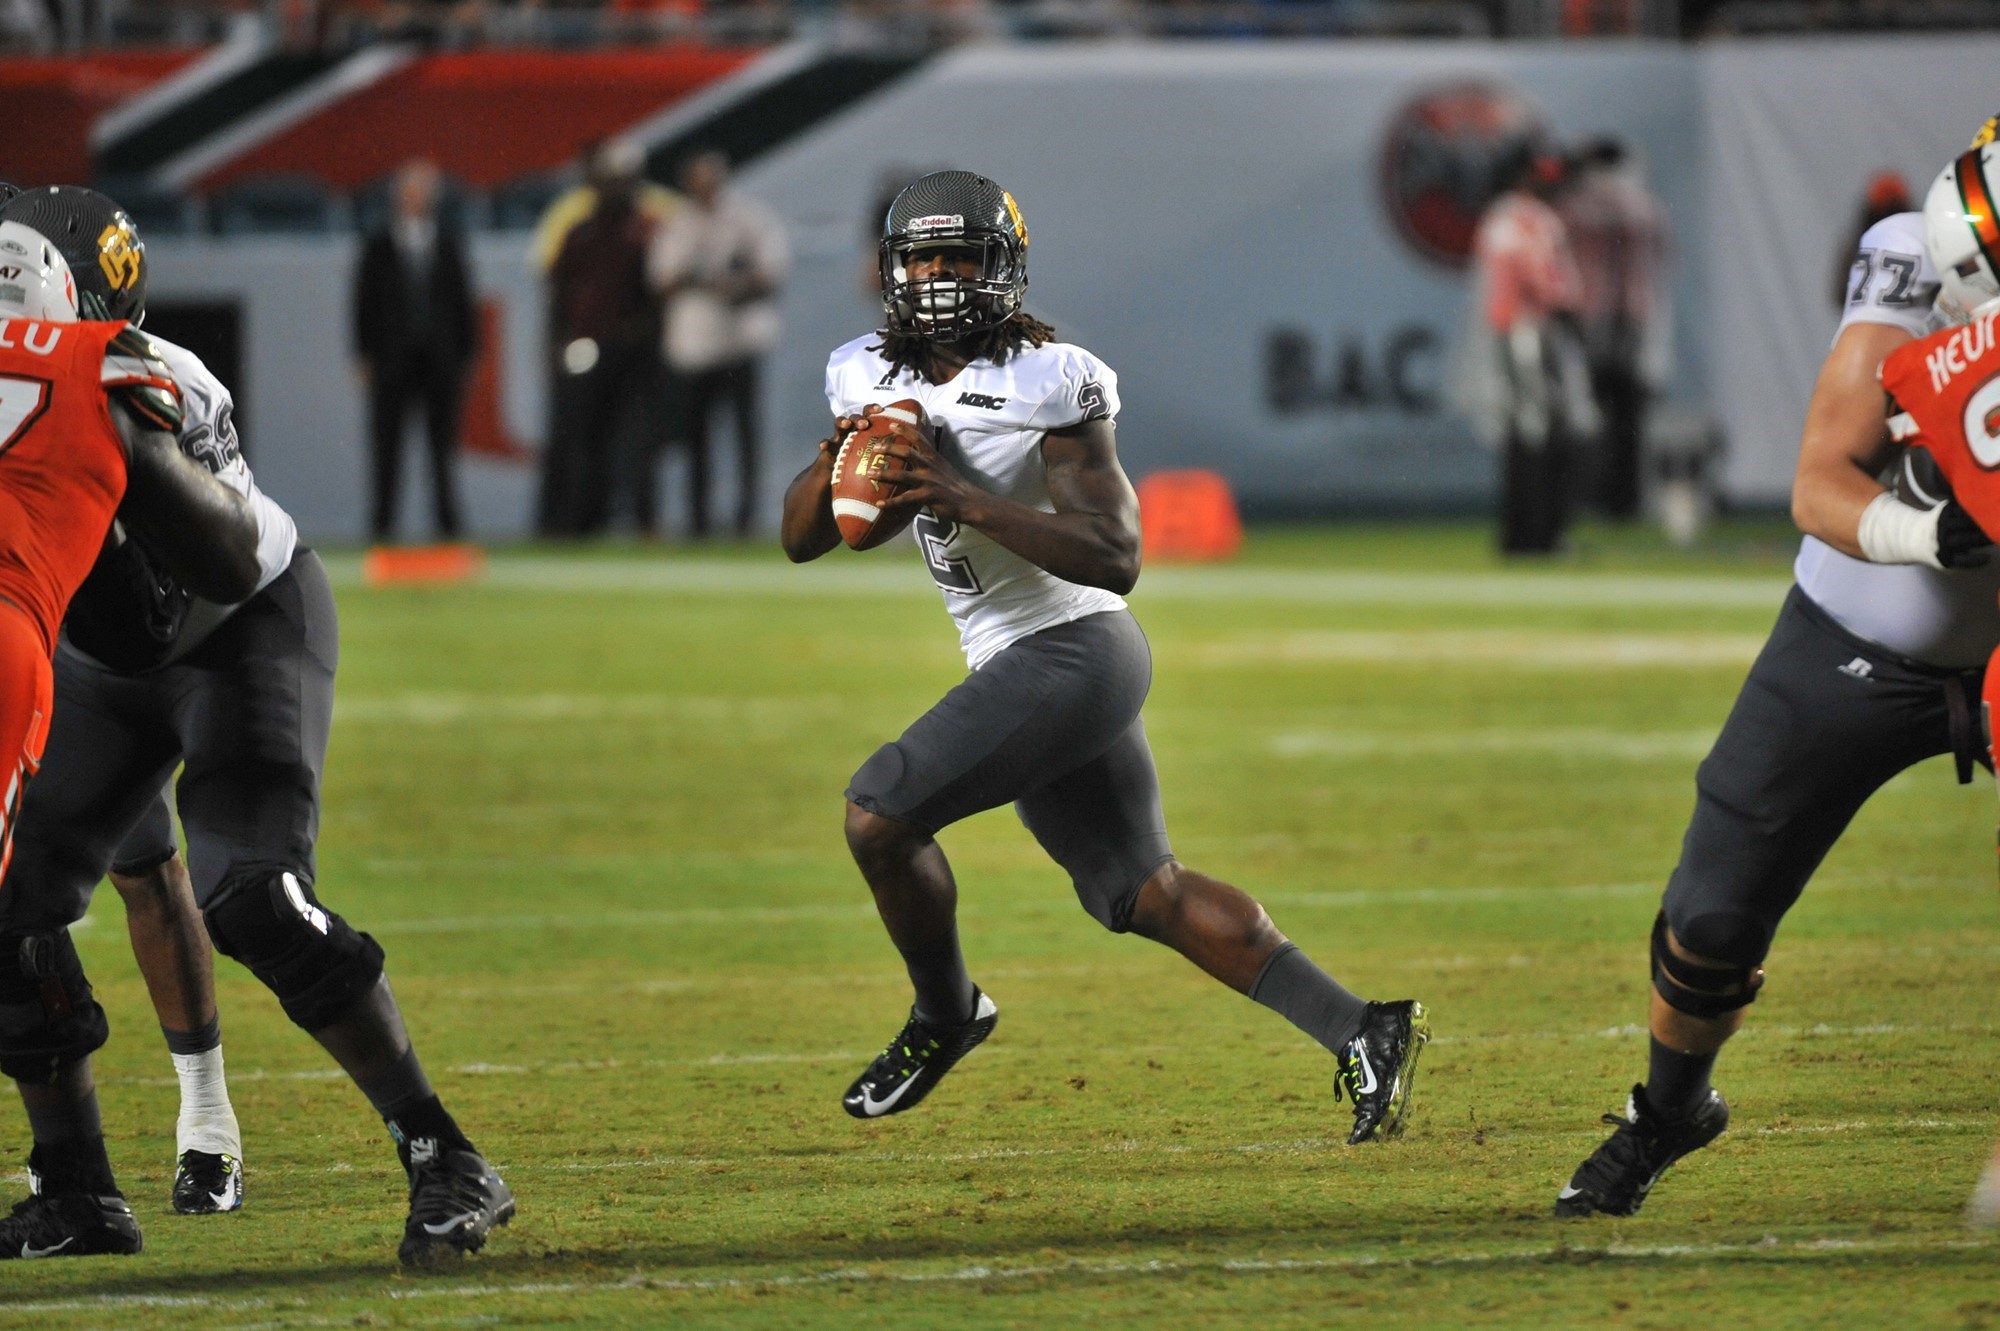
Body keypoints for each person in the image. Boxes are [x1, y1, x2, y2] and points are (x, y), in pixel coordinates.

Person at [780, 171, 1429, 1141]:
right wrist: (844, 459)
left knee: (878, 813)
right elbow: (799, 537)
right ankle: (1361, 1027)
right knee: (1144, 892)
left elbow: (1115, 555)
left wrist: (961, 496)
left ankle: (946, 1013)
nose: (940, 276)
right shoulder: (862, 371)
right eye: (922, 257)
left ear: (1003, 267)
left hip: (1077, 647)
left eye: (960, 255)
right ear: (890, 270)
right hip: (1013, 659)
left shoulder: (1051, 377)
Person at [0, 188, 514, 1266]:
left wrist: (138, 455)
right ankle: (78, 1187)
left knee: (255, 897)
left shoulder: (157, 376)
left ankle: (443, 1152)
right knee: (8, 901)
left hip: (237, 631)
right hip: (93, 663)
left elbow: (220, 563)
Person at [1554, 131, 2000, 1220]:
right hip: (1853, 633)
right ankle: (1666, 1111)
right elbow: (1815, 481)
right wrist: (1927, 533)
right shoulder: (1907, 258)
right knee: (1708, 918)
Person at [0, 216, 266, 1258]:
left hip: (92, 646)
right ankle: (75, 1177)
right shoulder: (107, 360)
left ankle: (191, 1123)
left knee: (140, 863)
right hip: (54, 630)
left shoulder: (136, 367)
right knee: (28, 908)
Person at [648, 149, 788, 538]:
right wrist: (699, 277)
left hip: (741, 341)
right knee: (696, 439)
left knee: (745, 438)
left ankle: (745, 519)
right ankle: (699, 520)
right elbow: (661, 281)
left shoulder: (749, 218)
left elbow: (772, 274)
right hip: (693, 345)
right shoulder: (676, 223)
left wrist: (736, 284)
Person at [1470, 149, 1592, 554]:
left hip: (1512, 330)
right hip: (1532, 330)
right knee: (1541, 432)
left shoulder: (1499, 219)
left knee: (1525, 432)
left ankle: (1521, 532)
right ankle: (1539, 533)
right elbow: (1547, 281)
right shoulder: (1528, 219)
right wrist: (1570, 313)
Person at [540, 139, 664, 537]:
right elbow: (558, 296)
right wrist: (555, 345)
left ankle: (643, 521)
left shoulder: (647, 230)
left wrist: (645, 337)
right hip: (585, 348)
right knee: (581, 438)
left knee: (637, 441)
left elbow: (658, 294)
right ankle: (579, 522)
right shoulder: (578, 232)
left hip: (633, 349)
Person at [352, 159, 476, 543]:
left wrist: (467, 353)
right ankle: (382, 527)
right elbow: (363, 304)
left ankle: (448, 529)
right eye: (411, 190)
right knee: (386, 449)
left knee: (442, 451)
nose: (417, 198)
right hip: (391, 361)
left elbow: (462, 303)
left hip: (439, 361)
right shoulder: (377, 246)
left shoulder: (449, 243)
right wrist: (363, 354)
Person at [1559, 137, 1670, 520]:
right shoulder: (1645, 206)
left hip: (1589, 314)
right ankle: (1626, 498)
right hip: (1637, 315)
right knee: (1628, 414)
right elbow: (1665, 258)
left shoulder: (1578, 204)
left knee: (1585, 408)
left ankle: (1589, 496)